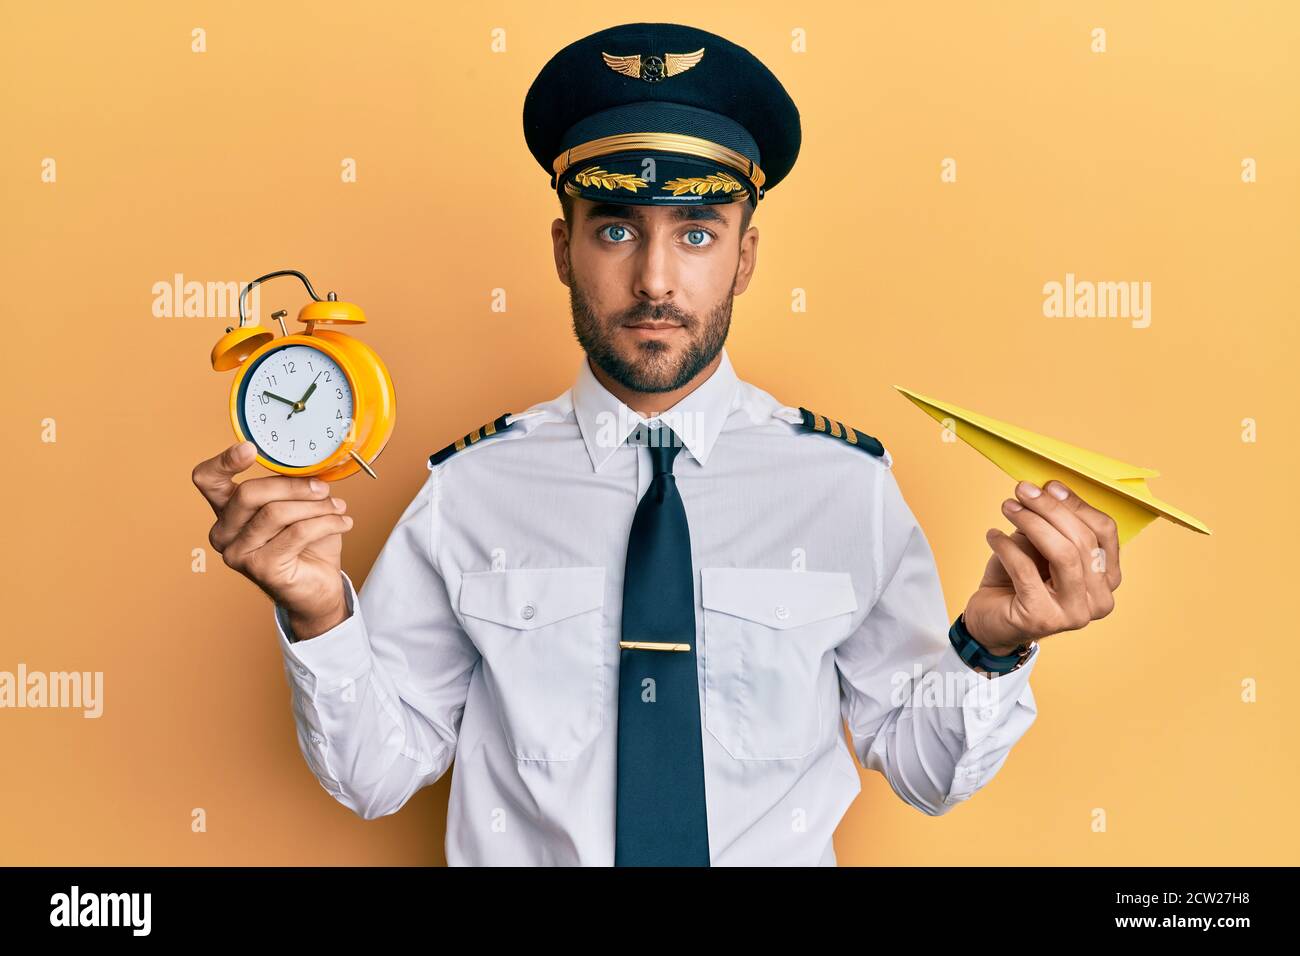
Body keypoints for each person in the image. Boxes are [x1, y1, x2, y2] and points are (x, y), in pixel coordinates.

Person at [192, 22, 1122, 866]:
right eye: (615, 230)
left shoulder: (848, 489)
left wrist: (992, 646)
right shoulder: (467, 493)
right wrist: (320, 615)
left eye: (698, 233)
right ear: (563, 251)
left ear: (744, 259)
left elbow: (925, 772)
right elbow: (376, 774)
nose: (654, 280)